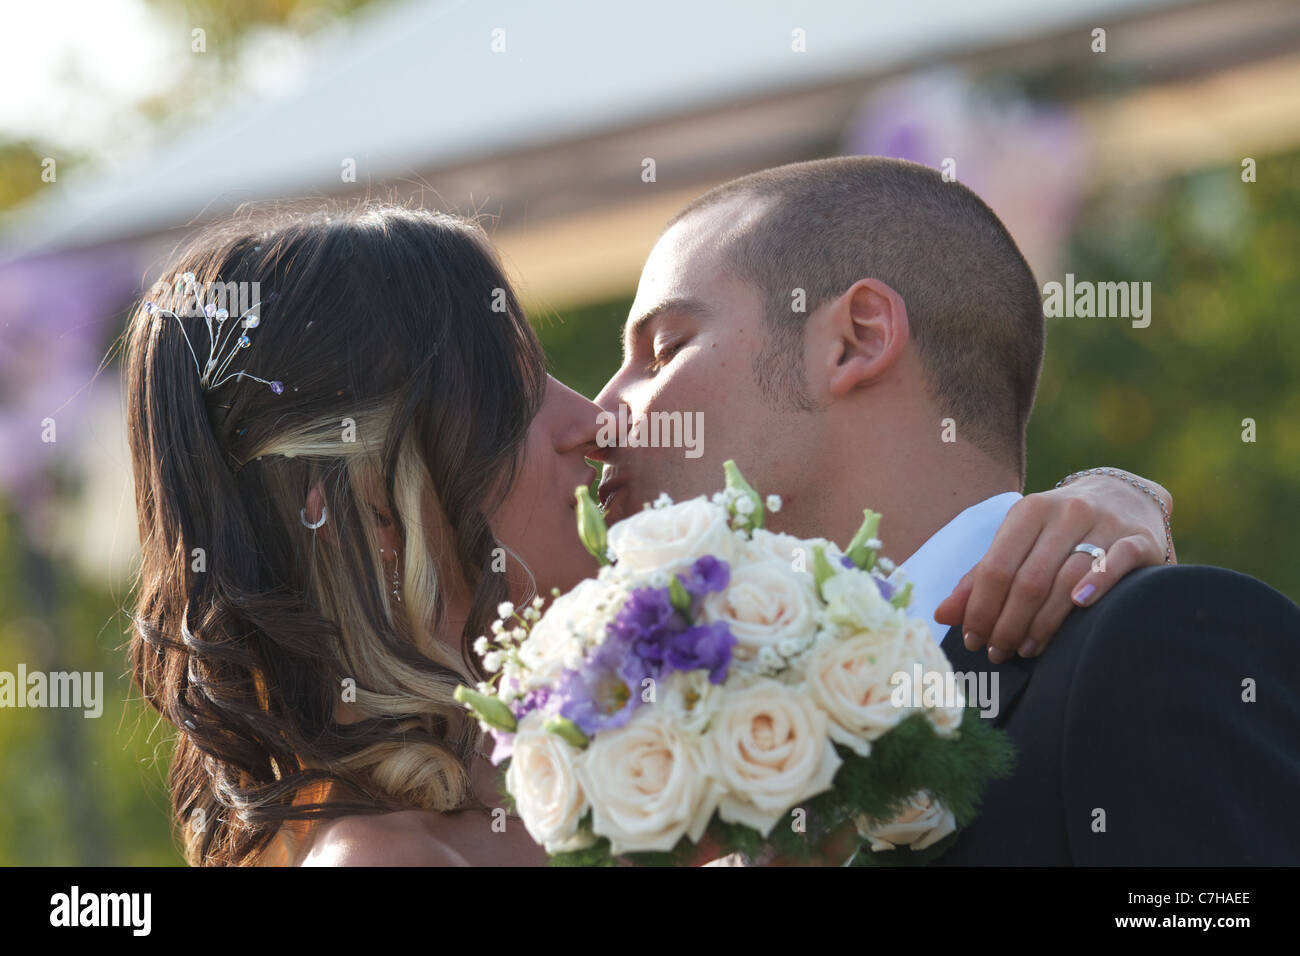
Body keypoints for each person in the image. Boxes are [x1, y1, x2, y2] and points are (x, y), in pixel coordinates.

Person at [124, 197, 1174, 867]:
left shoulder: (608, 778)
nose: (596, 419)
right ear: (368, 502)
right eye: (516, 392)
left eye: (660, 348)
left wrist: (1111, 495)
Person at [594, 156, 1300, 864]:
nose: (599, 418)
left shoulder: (1153, 648)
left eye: (663, 351)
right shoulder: (686, 771)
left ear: (857, 338)